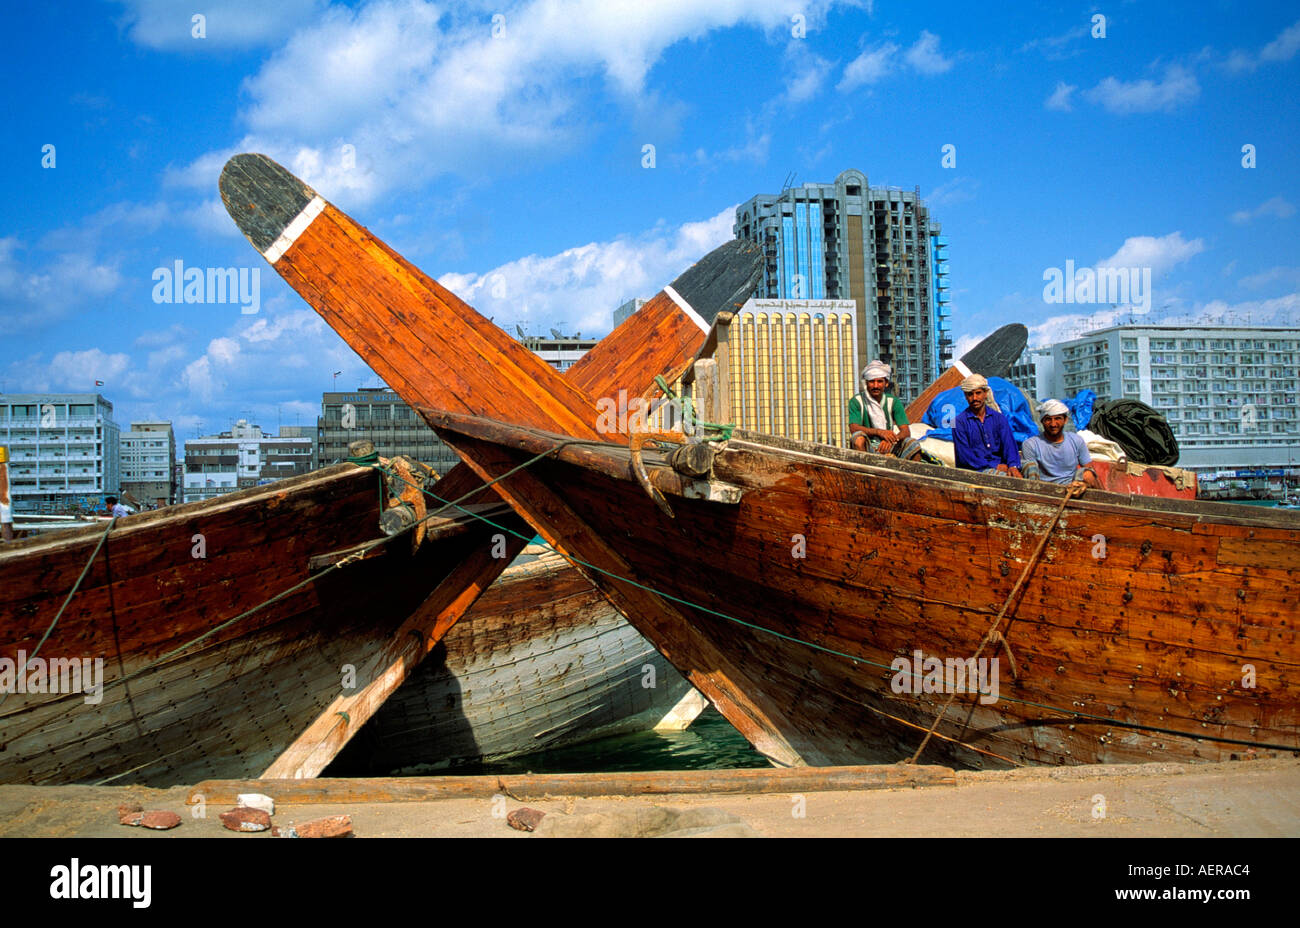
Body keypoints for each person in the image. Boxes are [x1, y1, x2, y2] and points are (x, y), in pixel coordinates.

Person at [848, 360, 930, 462]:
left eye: (879, 381)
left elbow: (905, 431)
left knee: (913, 444)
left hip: (889, 446)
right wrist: (879, 432)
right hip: (868, 447)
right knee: (858, 438)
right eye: (872, 381)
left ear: (886, 383)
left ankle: (914, 476)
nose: (876, 386)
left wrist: (891, 440)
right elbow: (854, 428)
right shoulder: (857, 401)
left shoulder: (893, 402)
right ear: (866, 383)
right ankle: (864, 472)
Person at [1021, 399, 1099, 493]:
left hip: (1071, 488)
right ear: (1042, 421)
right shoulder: (1030, 444)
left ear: (1065, 420)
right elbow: (1031, 474)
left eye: (1057, 418)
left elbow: (1089, 468)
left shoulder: (1076, 440)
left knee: (1088, 473)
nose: (1053, 424)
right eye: (1048, 419)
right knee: (1029, 466)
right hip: (1044, 490)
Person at [952, 373, 1022, 476]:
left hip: (1001, 465)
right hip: (975, 470)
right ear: (966, 396)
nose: (974, 398)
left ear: (985, 394)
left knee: (1030, 466)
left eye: (978, 393)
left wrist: (1012, 466)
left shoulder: (999, 418)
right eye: (970, 394)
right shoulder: (958, 422)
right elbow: (965, 457)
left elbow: (1009, 445)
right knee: (1005, 477)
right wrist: (995, 466)